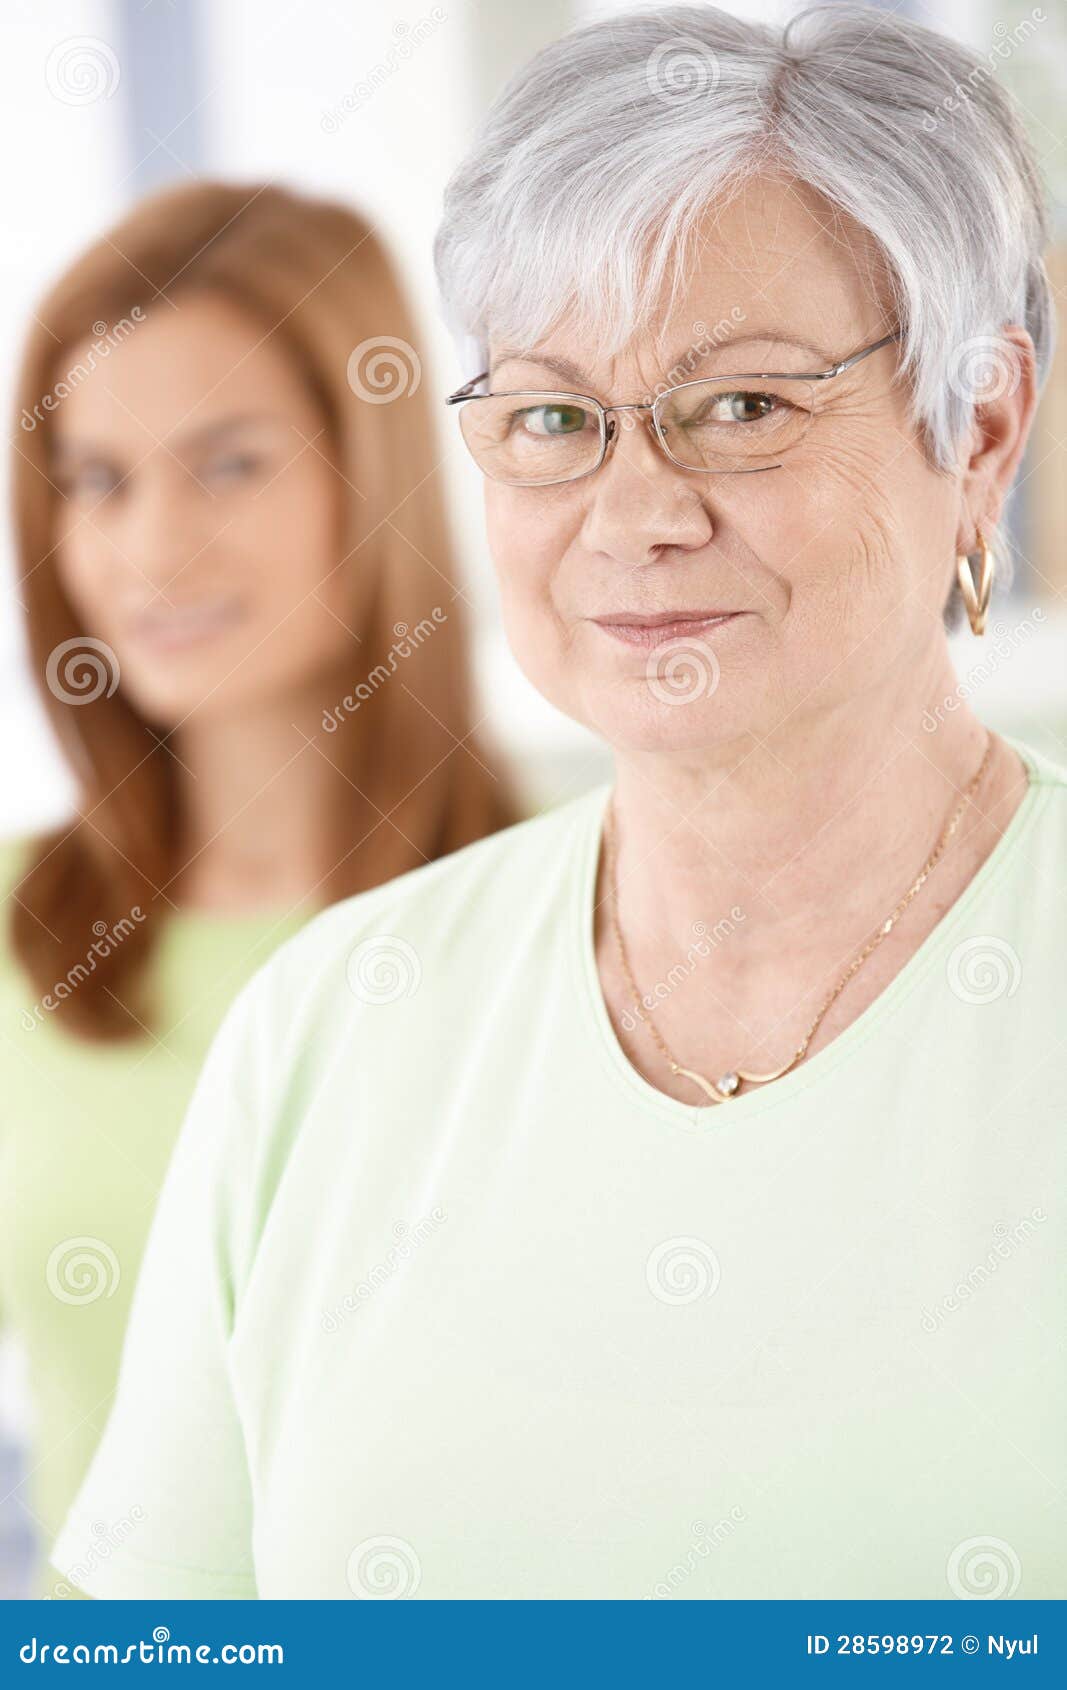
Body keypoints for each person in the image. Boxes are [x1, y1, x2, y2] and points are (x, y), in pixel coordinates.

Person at [51, 5, 1064, 1599]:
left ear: (982, 424)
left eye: (744, 404)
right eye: (552, 418)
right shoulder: (328, 1027)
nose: (637, 509)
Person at [0, 179, 514, 1596]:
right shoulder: (12, 935)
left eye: (227, 464)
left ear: (374, 464)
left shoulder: (581, 904)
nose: (152, 548)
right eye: (97, 479)